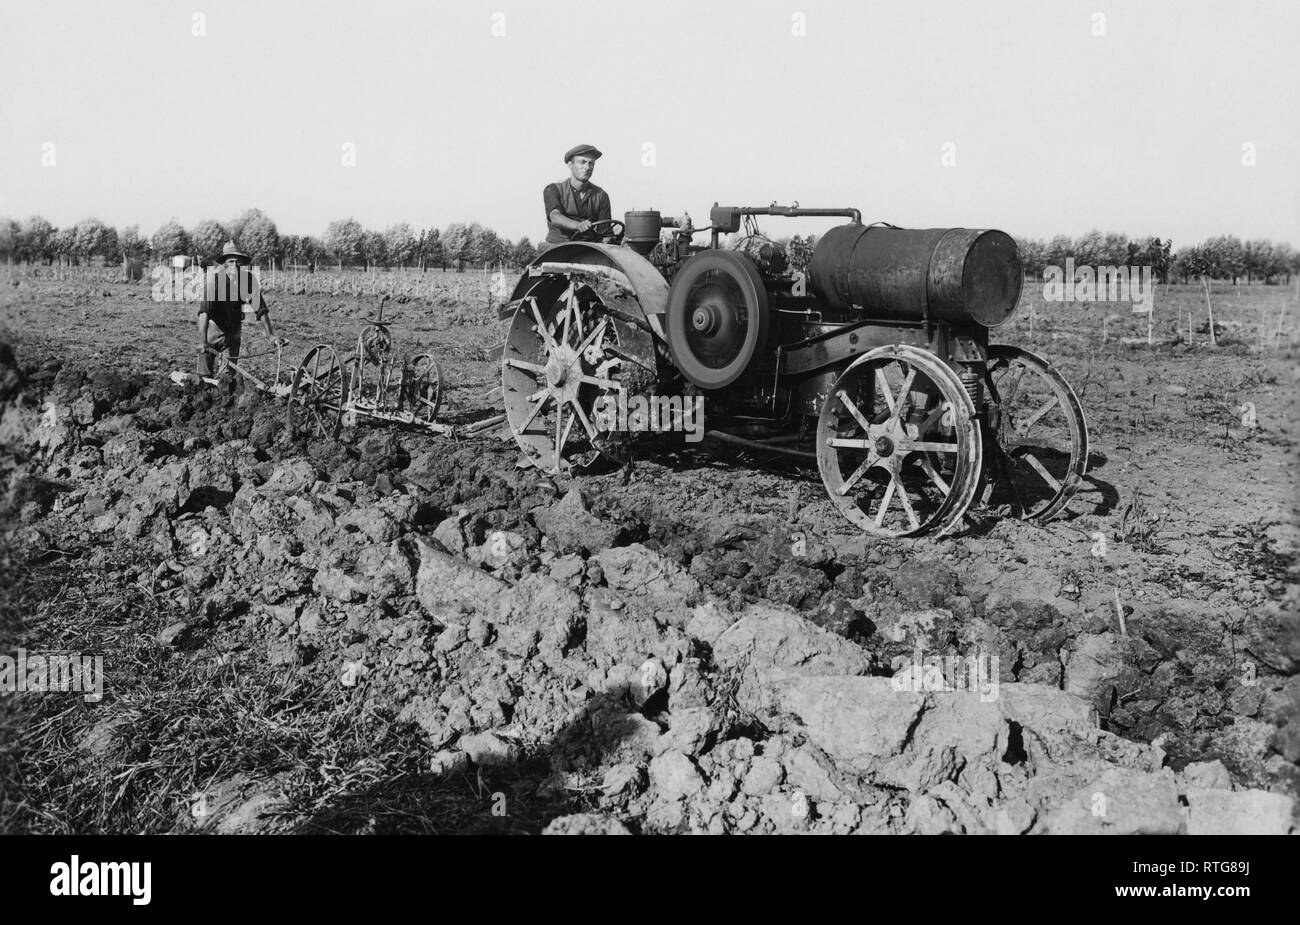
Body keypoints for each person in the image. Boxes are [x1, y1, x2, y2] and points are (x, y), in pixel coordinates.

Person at [196, 242, 281, 377]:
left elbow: (261, 309)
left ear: (242, 264)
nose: (234, 266)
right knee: (203, 376)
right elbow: (204, 313)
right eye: (230, 261)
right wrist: (202, 342)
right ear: (224, 263)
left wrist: (271, 336)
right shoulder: (215, 282)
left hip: (233, 333)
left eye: (238, 262)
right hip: (213, 331)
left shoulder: (248, 280)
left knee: (227, 378)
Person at [543, 144, 611, 248]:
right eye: (582, 162)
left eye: (591, 163)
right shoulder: (553, 189)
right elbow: (555, 216)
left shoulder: (601, 196)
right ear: (570, 165)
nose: (587, 167)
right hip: (558, 248)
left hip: (588, 249)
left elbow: (605, 231)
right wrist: (578, 225)